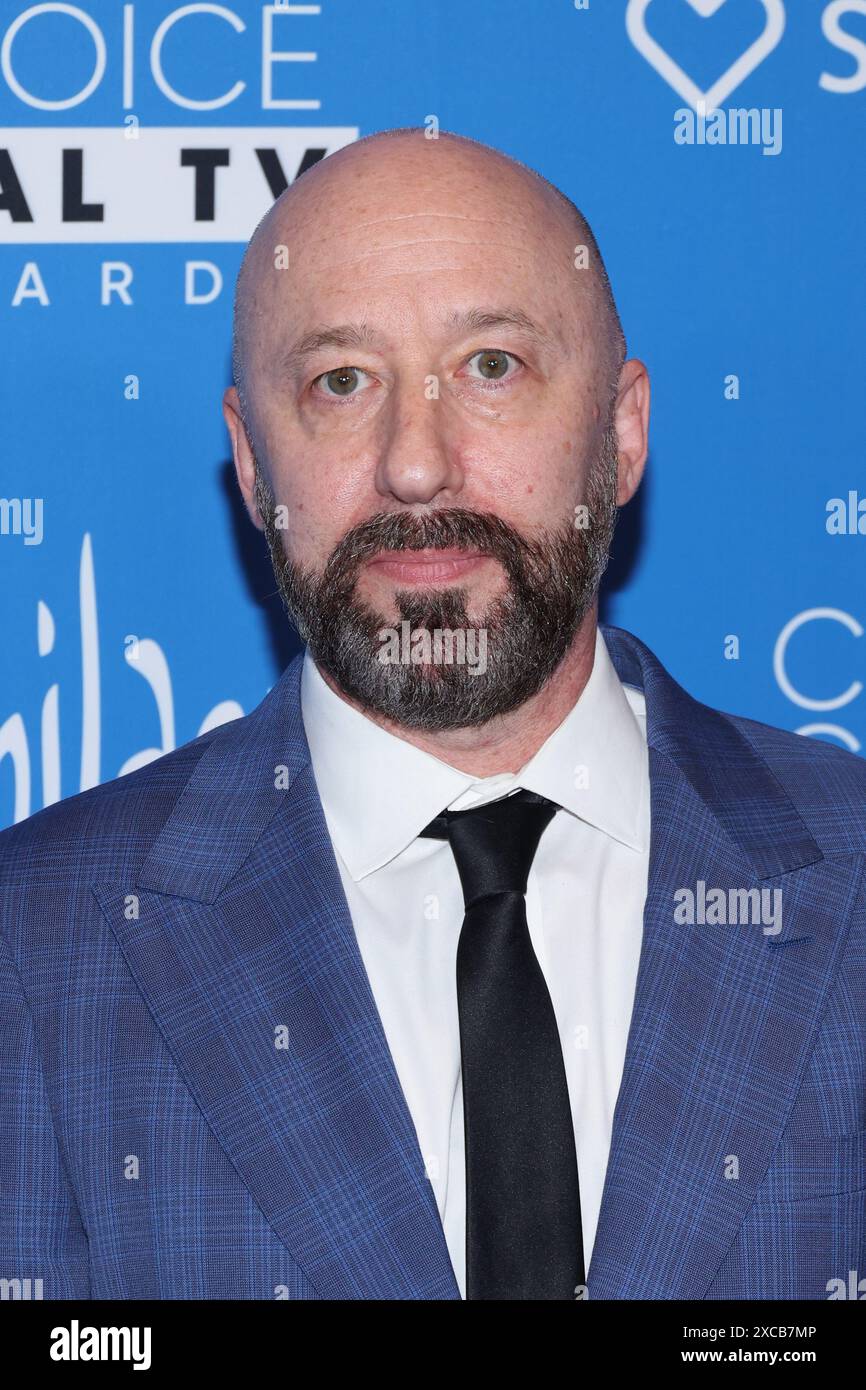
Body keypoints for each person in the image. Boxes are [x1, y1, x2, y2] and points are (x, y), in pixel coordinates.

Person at [1, 128, 864, 1302]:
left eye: (491, 366)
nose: (416, 464)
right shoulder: (33, 942)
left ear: (618, 433)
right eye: (340, 382)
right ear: (252, 466)